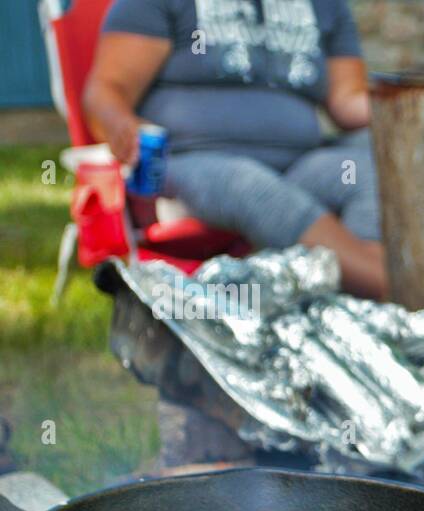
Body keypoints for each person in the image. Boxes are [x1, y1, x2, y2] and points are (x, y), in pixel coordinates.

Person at [83, 0, 388, 299]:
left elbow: (346, 101)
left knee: (368, 166)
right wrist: (121, 126)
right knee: (253, 187)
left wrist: (412, 103)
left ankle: (355, 302)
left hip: (296, 166)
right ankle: (394, 291)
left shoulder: (327, 5)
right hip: (186, 165)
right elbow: (106, 90)